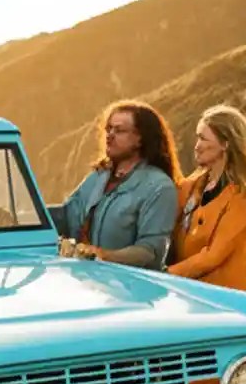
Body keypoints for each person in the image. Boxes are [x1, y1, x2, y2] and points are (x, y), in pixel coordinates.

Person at [53, 100, 180, 270]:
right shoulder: (98, 177)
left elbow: (150, 252)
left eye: (119, 130)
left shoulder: (159, 187)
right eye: (108, 129)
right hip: (88, 282)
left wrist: (100, 255)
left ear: (140, 139)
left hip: (129, 289)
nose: (110, 135)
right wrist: (19, 219)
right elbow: (66, 216)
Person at [168, 104, 246, 293]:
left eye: (203, 138)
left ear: (225, 144)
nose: (197, 146)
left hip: (227, 300)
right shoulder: (194, 184)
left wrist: (166, 274)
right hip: (189, 294)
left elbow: (213, 256)